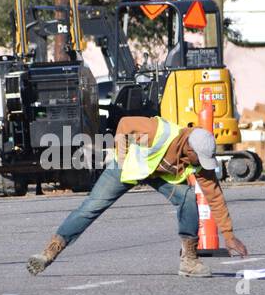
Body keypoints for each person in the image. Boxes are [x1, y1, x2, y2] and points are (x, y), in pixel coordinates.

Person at [26, 114, 247, 278]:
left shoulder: (200, 157)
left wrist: (228, 235)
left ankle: (189, 260)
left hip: (160, 175)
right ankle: (49, 252)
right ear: (189, 149)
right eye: (198, 159)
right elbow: (123, 123)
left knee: (188, 197)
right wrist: (121, 155)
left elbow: (214, 195)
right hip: (130, 167)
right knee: (90, 207)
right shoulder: (156, 131)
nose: (200, 164)